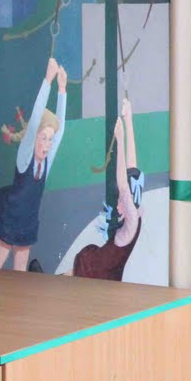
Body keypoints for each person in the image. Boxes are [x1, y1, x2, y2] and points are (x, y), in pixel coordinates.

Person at [0, 56, 68, 271]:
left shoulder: (46, 163)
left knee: (21, 268)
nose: (47, 144)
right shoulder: (25, 157)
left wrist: (62, 90)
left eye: (50, 140)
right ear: (34, 140)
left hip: (27, 221)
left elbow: (61, 130)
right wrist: (48, 80)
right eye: (43, 138)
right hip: (10, 214)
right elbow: (33, 123)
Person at [72, 97, 145, 281]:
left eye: (122, 200)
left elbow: (122, 183)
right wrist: (129, 120)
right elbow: (132, 167)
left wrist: (120, 141)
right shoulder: (135, 210)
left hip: (98, 273)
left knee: (78, 272)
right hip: (100, 266)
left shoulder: (131, 222)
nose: (119, 203)